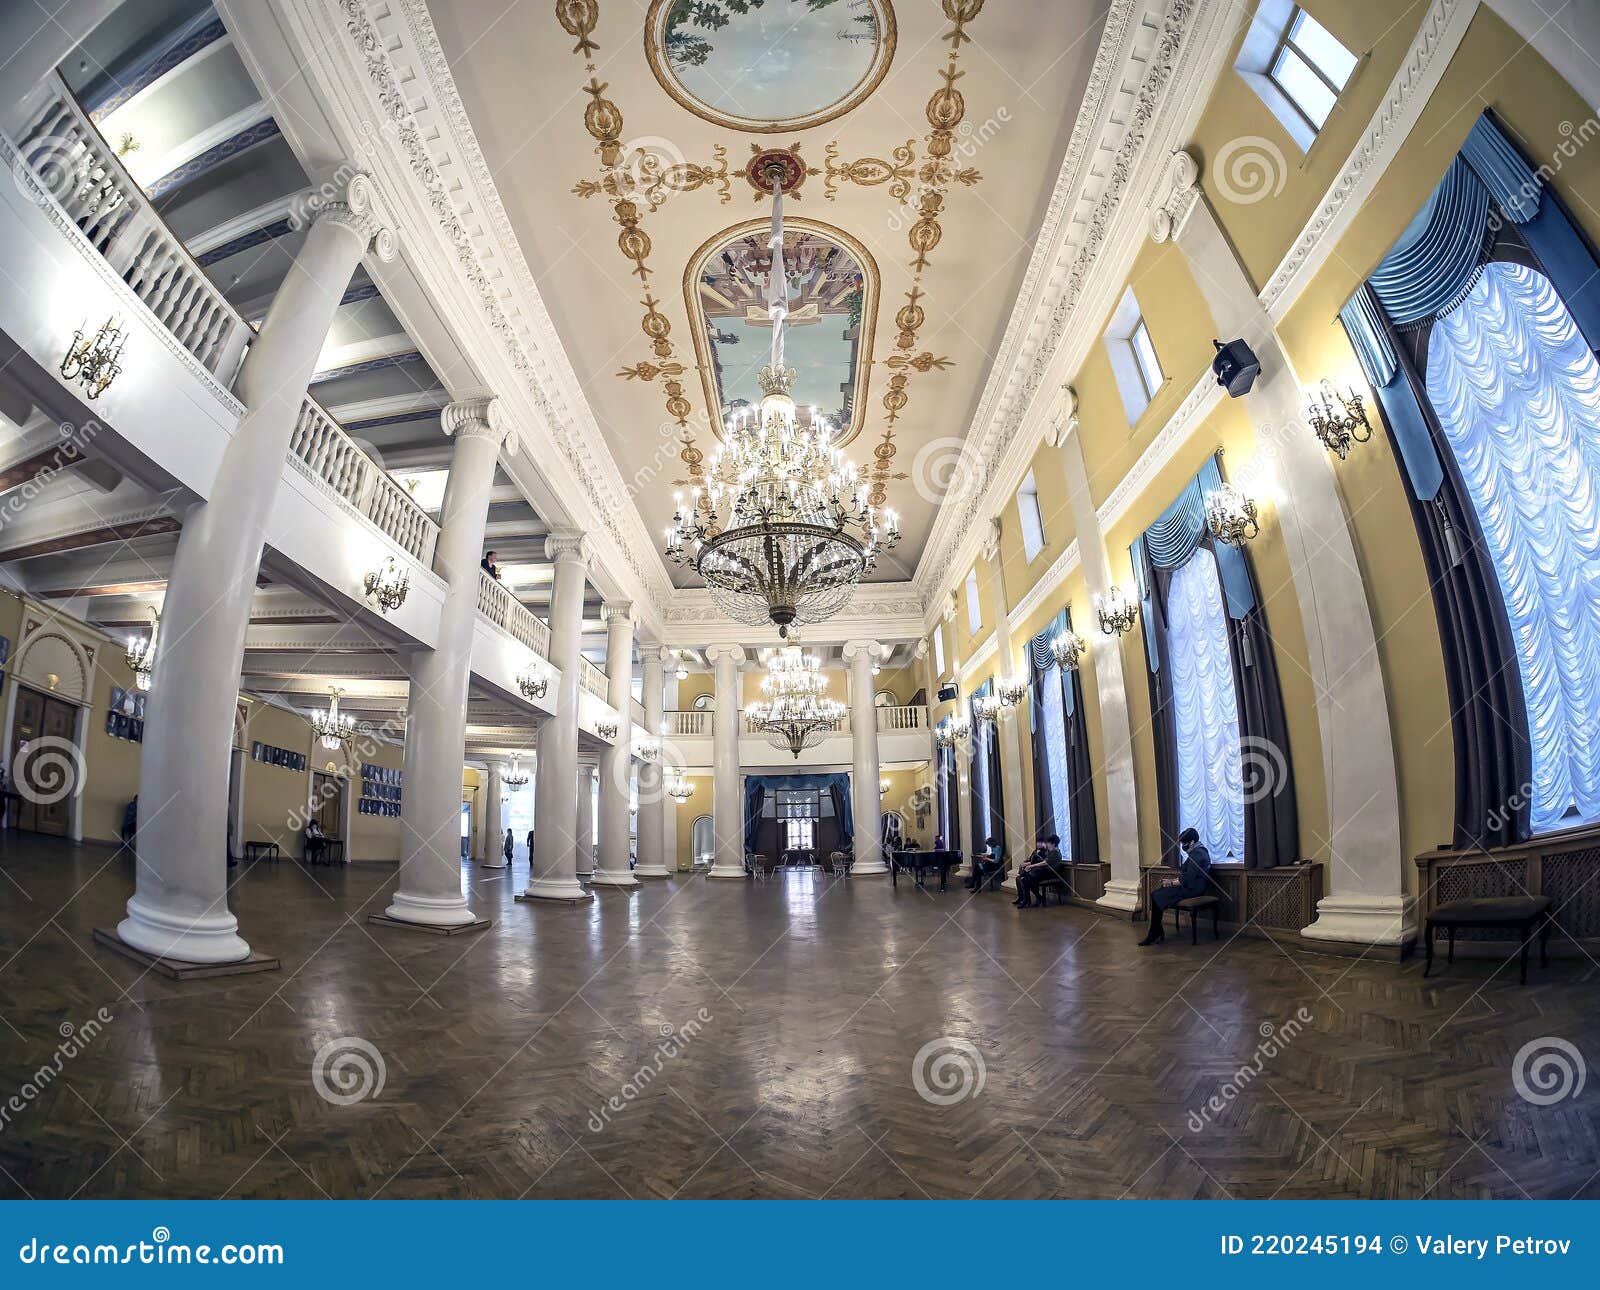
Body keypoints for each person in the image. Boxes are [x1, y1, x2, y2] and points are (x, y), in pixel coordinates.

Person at [1139, 827, 1212, 945]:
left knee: (1155, 895)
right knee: (1158, 893)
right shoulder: (1199, 851)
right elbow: (1188, 876)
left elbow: (1188, 879)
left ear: (1192, 842)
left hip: (1193, 890)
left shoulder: (1197, 853)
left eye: (1184, 843)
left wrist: (1171, 883)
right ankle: (1156, 931)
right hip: (1192, 886)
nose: (1183, 846)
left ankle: (1155, 932)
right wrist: (1172, 880)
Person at [1014, 833, 1064, 908]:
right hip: (1044, 872)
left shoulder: (1055, 852)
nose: (1047, 844)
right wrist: (1031, 865)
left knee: (1025, 880)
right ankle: (1034, 899)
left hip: (1049, 873)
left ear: (1053, 844)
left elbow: (1044, 863)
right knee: (1025, 879)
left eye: (1048, 843)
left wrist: (1031, 866)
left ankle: (1030, 900)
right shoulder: (1051, 851)